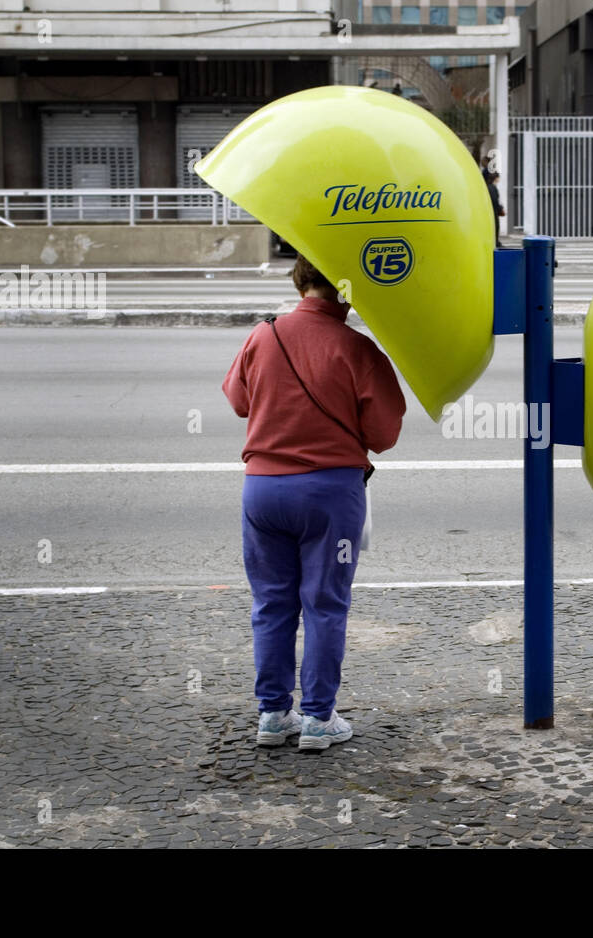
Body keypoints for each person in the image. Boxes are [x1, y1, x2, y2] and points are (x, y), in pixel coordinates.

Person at [222, 255, 406, 752]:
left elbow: (239, 401)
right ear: (347, 290)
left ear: (300, 280)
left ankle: (272, 714)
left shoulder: (264, 335)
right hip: (329, 495)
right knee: (324, 604)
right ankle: (319, 719)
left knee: (271, 603)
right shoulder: (357, 348)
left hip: (263, 490)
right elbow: (384, 435)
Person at [485, 169, 505, 247]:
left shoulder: (488, 187)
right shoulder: (492, 188)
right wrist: (500, 208)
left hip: (490, 211)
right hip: (494, 211)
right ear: (496, 178)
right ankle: (496, 242)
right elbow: (495, 200)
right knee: (495, 227)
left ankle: (495, 242)